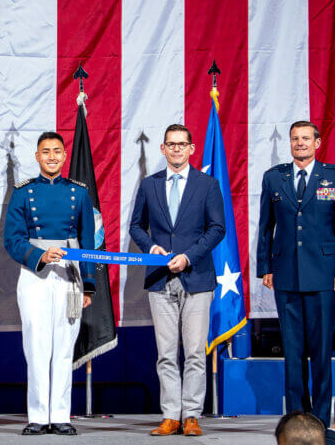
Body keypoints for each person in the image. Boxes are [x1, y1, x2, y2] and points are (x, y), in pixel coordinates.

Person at [257, 121, 335, 426]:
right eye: (295, 139)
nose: (300, 143)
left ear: (317, 142)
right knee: (292, 351)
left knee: (321, 350)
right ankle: (296, 417)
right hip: (286, 275)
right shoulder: (274, 178)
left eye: (305, 138)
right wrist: (266, 267)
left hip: (324, 276)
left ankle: (320, 417)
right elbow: (265, 227)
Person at [129, 123, 225, 436]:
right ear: (163, 148)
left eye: (182, 144)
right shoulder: (149, 184)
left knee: (195, 352)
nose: (176, 149)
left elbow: (217, 229)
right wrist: (150, 247)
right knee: (166, 353)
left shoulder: (207, 184)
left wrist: (189, 256)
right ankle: (171, 415)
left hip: (196, 278)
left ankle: (192, 415)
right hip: (159, 280)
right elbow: (136, 227)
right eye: (171, 144)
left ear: (192, 148)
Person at [3, 131, 95, 436]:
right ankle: (38, 416)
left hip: (70, 273)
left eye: (57, 151)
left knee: (65, 345)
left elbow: (89, 242)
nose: (52, 156)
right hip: (35, 274)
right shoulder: (22, 192)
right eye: (46, 151)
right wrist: (40, 255)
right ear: (37, 156)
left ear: (65, 155)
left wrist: (90, 284)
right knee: (37, 344)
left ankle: (61, 415)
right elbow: (12, 240)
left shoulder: (79, 193)